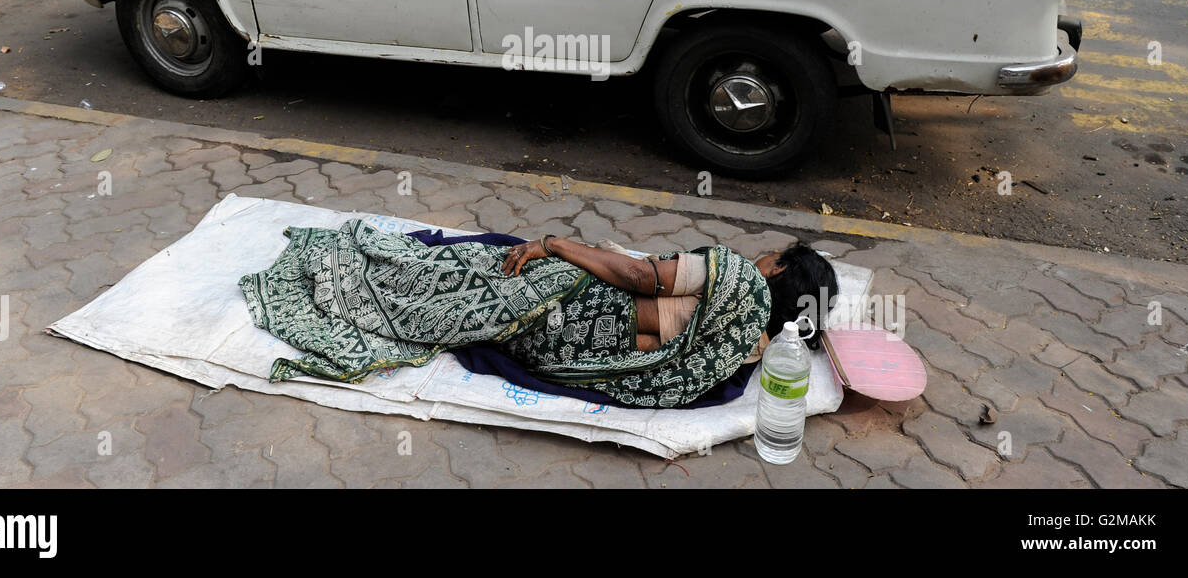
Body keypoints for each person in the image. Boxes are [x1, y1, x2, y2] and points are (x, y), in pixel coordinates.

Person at [240, 219, 839, 408]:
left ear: (779, 270)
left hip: (565, 310)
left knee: (476, 271)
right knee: (472, 286)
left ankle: (343, 276)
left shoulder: (736, 277)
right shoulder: (753, 349)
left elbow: (636, 277)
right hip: (561, 355)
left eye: (773, 254)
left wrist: (555, 245)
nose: (762, 254)